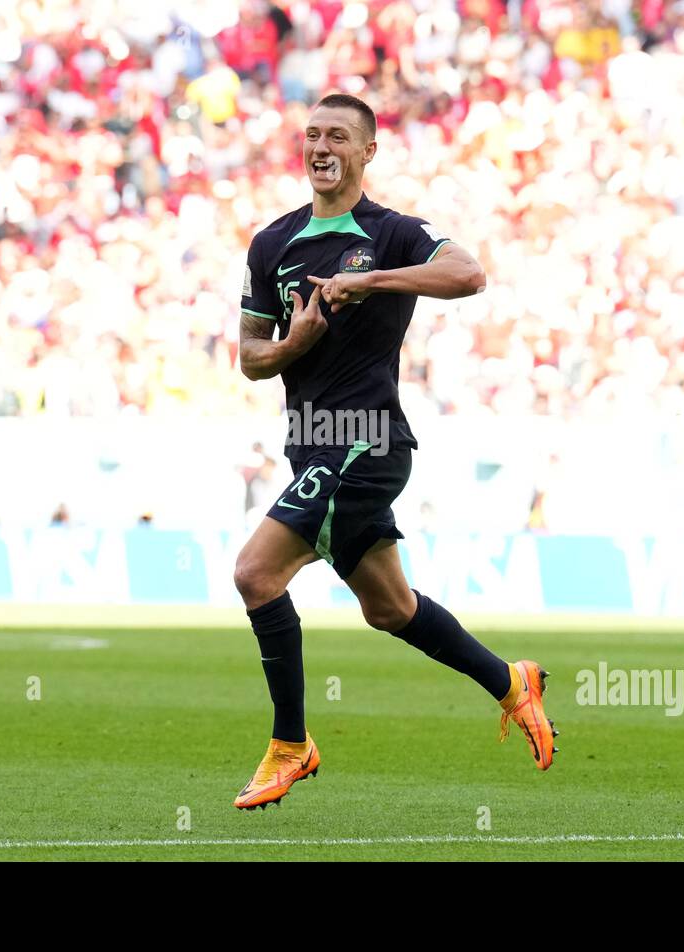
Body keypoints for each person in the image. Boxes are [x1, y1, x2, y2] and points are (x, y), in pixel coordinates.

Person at [231, 94, 557, 810]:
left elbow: (468, 274)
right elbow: (252, 357)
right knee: (389, 607)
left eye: (338, 136)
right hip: (309, 448)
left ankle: (292, 744)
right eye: (311, 133)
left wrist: (372, 279)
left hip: (366, 442)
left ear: (367, 151)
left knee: (256, 575)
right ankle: (510, 682)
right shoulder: (273, 243)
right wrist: (295, 343)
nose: (320, 146)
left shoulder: (393, 233)